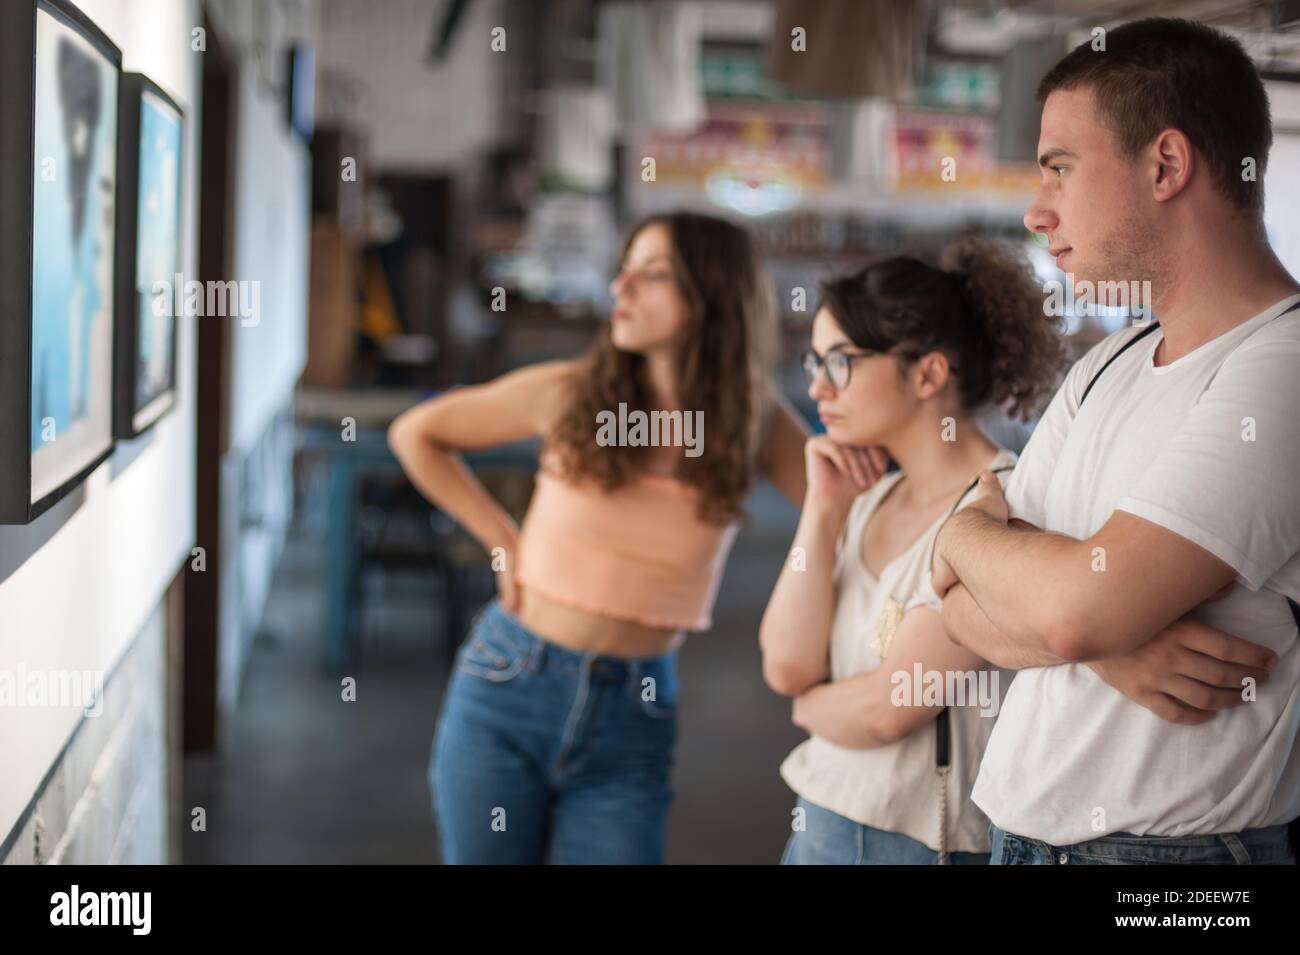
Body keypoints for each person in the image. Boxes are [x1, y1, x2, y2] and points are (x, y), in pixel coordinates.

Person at [931, 17, 1300, 865]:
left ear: (1166, 165)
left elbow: (1068, 609)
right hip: (1018, 839)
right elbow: (952, 605)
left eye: (1060, 167)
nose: (1035, 209)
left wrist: (967, 534)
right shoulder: (1117, 358)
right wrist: (1107, 648)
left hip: (1168, 867)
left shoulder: (1280, 367)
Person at [388, 211, 809, 864]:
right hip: (508, 683)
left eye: (653, 274)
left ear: (713, 293)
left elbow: (853, 513)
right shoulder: (572, 393)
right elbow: (416, 433)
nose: (622, 289)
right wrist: (502, 538)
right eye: (624, 271)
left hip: (632, 713)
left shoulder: (752, 420)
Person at [760, 239, 1063, 864]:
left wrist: (808, 706)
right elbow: (787, 664)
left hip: (923, 844)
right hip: (821, 817)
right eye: (813, 361)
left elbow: (892, 707)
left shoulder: (997, 507)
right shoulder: (870, 495)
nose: (817, 387)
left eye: (840, 362)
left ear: (927, 373)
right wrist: (822, 509)